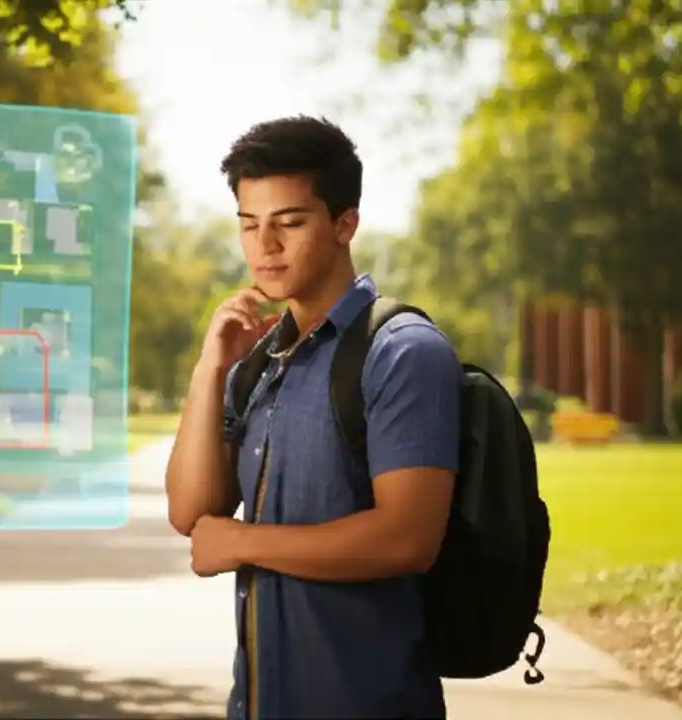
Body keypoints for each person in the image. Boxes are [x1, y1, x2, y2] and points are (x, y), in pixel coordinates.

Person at [164, 115, 463, 719]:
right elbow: (194, 517)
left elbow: (409, 538)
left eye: (289, 223)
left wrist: (245, 542)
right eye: (250, 225)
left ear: (344, 223)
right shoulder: (259, 362)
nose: (264, 247)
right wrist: (209, 369)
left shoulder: (401, 351)